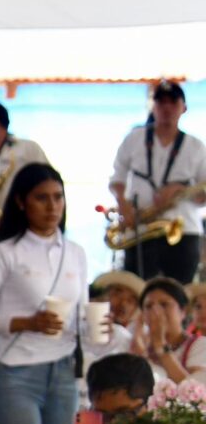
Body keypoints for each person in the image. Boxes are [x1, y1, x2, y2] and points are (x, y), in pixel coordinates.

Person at [0, 162, 90, 424]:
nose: (52, 206)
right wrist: (26, 322)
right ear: (21, 202)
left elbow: (80, 315)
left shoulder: (75, 252)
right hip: (14, 373)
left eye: (58, 197)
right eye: (42, 198)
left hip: (62, 371)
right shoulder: (3, 253)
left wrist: (98, 326)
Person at [108, 80, 206, 284]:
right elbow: (117, 178)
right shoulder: (134, 138)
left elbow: (202, 195)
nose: (167, 108)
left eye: (173, 102)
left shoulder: (196, 147)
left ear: (184, 108)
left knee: (180, 293)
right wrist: (123, 205)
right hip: (142, 230)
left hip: (183, 231)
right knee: (136, 290)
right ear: (153, 106)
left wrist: (181, 189)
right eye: (161, 102)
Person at [131, 276, 206, 384]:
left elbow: (192, 391)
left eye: (164, 304)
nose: (156, 311)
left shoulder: (200, 345)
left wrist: (161, 346)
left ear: (183, 311)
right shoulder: (139, 345)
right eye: (149, 306)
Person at [84, 268, 146, 362]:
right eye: (117, 295)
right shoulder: (83, 321)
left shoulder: (138, 334)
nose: (123, 304)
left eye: (130, 301)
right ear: (103, 296)